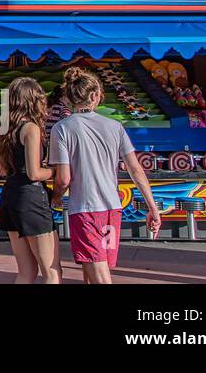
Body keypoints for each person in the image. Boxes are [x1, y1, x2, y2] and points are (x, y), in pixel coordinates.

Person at [50, 66, 161, 284]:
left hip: (85, 209)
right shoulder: (115, 126)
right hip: (112, 208)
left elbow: (63, 178)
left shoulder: (62, 129)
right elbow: (136, 170)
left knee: (97, 271)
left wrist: (55, 197)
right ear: (93, 96)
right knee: (94, 268)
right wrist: (153, 208)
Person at [0, 77, 61, 283]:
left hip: (9, 196)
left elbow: (2, 170)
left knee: (26, 272)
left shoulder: (4, 129)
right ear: (32, 100)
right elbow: (34, 173)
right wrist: (54, 171)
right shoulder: (31, 128)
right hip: (31, 198)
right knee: (52, 270)